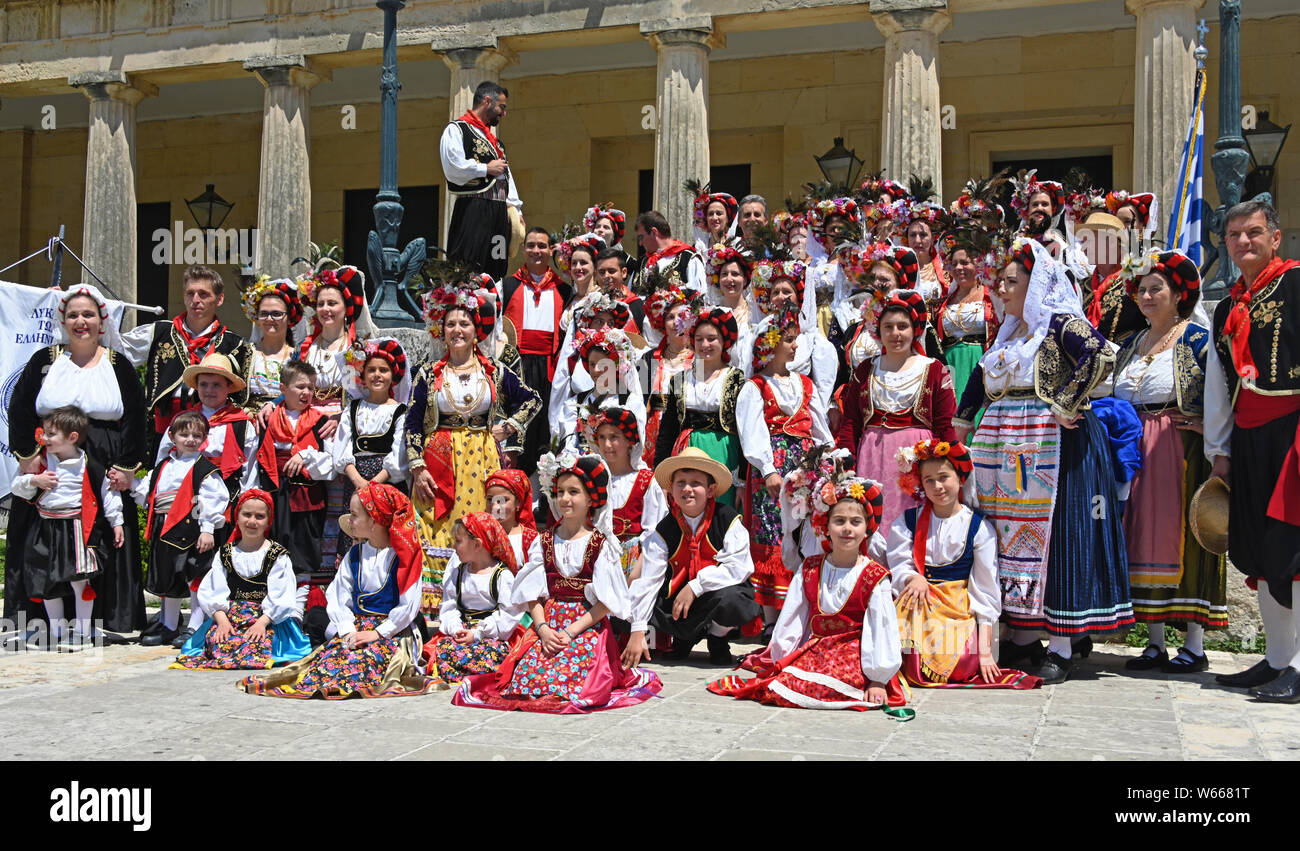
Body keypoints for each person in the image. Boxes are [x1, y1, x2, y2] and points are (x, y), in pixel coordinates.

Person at [955, 238, 1132, 684]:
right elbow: (980, 376)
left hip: (1057, 446)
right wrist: (961, 421)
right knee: (1010, 537)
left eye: (1010, 281)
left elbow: (1100, 353)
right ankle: (1024, 634)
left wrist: (1067, 402)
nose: (1001, 289)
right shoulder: (1009, 333)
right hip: (1006, 450)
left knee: (1057, 536)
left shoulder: (1058, 323)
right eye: (1000, 281)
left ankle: (1062, 644)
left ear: (1035, 285)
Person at [453, 453, 663, 712]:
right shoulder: (543, 541)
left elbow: (605, 603)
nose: (565, 498)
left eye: (574, 492)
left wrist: (571, 632)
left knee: (571, 681)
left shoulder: (600, 544)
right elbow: (533, 595)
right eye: (561, 491)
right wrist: (542, 629)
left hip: (586, 626)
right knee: (526, 679)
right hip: (549, 623)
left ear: (590, 499)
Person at [6, 284, 147, 638]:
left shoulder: (118, 364)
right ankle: (41, 622)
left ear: (102, 321)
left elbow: (136, 416)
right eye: (73, 315)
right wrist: (28, 456)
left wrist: (126, 467)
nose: (80, 321)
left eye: (88, 314)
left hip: (103, 463)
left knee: (101, 536)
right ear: (63, 320)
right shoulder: (45, 360)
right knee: (43, 536)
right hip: (50, 460)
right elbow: (20, 408)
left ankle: (102, 621)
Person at [707, 468, 910, 713]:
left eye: (855, 522)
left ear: (867, 528)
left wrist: (878, 679)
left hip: (855, 656)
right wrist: (781, 658)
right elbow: (793, 617)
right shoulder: (811, 568)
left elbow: (881, 629)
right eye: (839, 521)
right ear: (825, 526)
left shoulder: (875, 576)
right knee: (782, 686)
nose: (847, 529)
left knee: (825, 686)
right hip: (817, 650)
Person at [1203, 200, 1300, 701]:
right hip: (1249, 438)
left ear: (1275, 238)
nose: (1243, 241)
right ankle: (1278, 659)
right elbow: (1219, 386)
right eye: (1234, 234)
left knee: (1293, 547)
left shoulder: (1297, 283)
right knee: (1261, 550)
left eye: (1254, 232)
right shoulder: (1226, 307)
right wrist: (1220, 450)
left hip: (1293, 431)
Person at [1112, 251, 1227, 673]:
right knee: (1140, 535)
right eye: (1141, 289)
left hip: (1180, 450)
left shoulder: (1198, 340)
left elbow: (1224, 390)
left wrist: (1208, 425)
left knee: (1184, 537)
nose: (1146, 296)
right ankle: (1155, 642)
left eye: (1155, 288)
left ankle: (1194, 644)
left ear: (1179, 295)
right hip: (1134, 449)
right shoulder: (1129, 344)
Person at [406, 283, 541, 616]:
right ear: (441, 329)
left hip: (482, 460)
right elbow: (412, 422)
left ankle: (481, 600)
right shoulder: (428, 374)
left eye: (464, 323)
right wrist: (417, 468)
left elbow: (532, 400)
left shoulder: (494, 371)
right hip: (439, 461)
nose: (457, 330)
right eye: (450, 324)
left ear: (476, 330)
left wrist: (509, 427)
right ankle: (436, 606)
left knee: (480, 524)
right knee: (437, 527)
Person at [239, 483, 440, 698]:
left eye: (354, 515)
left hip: (392, 632)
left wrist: (377, 633)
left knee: (367, 660)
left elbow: (408, 606)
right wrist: (347, 630)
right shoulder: (354, 555)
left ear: (374, 521)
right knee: (331, 658)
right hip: (357, 627)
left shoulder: (404, 559)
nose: (349, 520)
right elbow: (338, 597)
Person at [888, 439, 1041, 689]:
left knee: (962, 663)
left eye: (943, 477)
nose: (937, 486)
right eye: (929, 480)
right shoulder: (907, 522)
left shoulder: (978, 527)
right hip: (920, 603)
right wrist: (911, 576)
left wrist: (986, 651)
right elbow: (898, 562)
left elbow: (986, 590)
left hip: (957, 610)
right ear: (920, 484)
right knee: (900, 650)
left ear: (960, 479)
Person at [738, 302, 833, 624]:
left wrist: (828, 458)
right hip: (775, 467)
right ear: (772, 344)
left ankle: (802, 608)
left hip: (805, 466)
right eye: (789, 340)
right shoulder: (756, 387)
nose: (795, 346)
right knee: (772, 530)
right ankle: (771, 618)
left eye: (795, 339)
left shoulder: (804, 384)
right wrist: (767, 469)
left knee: (803, 528)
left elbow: (819, 428)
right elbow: (752, 431)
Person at [836, 291, 957, 534]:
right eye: (888, 327)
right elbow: (851, 422)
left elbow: (945, 424)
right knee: (874, 522)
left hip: (916, 462)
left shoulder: (934, 369)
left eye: (903, 326)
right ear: (877, 330)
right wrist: (847, 465)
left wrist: (950, 467)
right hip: (872, 458)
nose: (895, 333)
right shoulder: (865, 369)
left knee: (913, 525)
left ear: (915, 329)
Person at [633, 447, 763, 665]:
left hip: (713, 597)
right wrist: (637, 629)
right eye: (681, 483)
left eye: (695, 483)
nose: (687, 489)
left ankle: (717, 636)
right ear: (671, 489)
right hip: (676, 603)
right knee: (628, 606)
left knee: (735, 600)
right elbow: (650, 579)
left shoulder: (728, 520)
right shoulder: (664, 529)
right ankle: (683, 637)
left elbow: (739, 567)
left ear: (710, 490)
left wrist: (695, 586)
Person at [9, 406, 125, 650]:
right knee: (46, 583)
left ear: (72, 437)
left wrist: (117, 523)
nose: (45, 438)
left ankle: (82, 633)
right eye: (45, 433)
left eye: (51, 434)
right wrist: (34, 480)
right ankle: (57, 632)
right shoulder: (42, 462)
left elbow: (108, 495)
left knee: (80, 582)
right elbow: (16, 487)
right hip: (45, 529)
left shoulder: (89, 465)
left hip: (76, 530)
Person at [166, 352, 259, 648]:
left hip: (224, 501)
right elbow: (165, 458)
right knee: (177, 558)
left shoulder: (242, 423)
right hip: (184, 499)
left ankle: (198, 622)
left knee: (206, 562)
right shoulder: (184, 421)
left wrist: (247, 501)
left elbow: (251, 466)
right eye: (204, 384)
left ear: (228, 388)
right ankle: (169, 622)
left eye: (216, 384)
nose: (209, 390)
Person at [120, 264, 252, 465]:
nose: (195, 300)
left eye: (203, 294)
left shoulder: (234, 343)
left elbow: (241, 396)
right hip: (166, 427)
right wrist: (103, 314)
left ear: (219, 299)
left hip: (212, 430)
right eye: (190, 293)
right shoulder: (160, 332)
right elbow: (118, 350)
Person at [173, 489, 311, 670]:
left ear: (268, 520)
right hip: (229, 618)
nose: (252, 521)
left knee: (257, 644)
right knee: (220, 643)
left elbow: (282, 596)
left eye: (259, 516)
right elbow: (212, 592)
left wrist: (261, 623)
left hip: (267, 619)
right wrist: (222, 622)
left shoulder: (276, 555)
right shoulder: (225, 554)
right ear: (237, 517)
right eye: (247, 514)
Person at [292, 265, 371, 575]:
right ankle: (309, 569)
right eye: (321, 303)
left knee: (339, 498)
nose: (326, 309)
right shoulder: (305, 348)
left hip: (341, 428)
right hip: (308, 425)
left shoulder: (354, 349)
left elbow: (360, 393)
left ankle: (336, 569)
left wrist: (340, 417)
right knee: (310, 497)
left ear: (345, 308)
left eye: (332, 303)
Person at [131, 410, 230, 647]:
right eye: (184, 434)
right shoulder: (162, 466)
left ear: (204, 438)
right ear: (172, 436)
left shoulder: (204, 468)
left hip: (191, 527)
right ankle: (168, 625)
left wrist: (207, 529)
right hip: (164, 526)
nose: (191, 440)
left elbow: (212, 500)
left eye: (197, 435)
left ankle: (195, 626)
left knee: (194, 575)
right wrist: (128, 482)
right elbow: (146, 493)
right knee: (169, 576)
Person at [254, 359, 334, 610]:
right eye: (300, 387)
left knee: (303, 550)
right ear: (283, 389)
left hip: (307, 495)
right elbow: (256, 457)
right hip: (275, 492)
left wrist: (306, 456)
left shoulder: (320, 421)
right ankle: (275, 607)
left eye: (310, 388)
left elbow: (331, 464)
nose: (306, 393)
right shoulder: (268, 419)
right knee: (274, 547)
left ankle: (298, 610)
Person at [653, 307, 746, 507]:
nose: (705, 345)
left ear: (724, 341)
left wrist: (743, 480)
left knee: (721, 512)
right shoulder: (680, 380)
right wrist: (661, 475)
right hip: (687, 455)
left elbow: (745, 431)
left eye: (712, 339)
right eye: (699, 339)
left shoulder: (736, 379)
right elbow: (668, 430)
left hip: (724, 455)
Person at [500, 226, 572, 475]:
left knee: (544, 424)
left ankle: (543, 481)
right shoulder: (508, 285)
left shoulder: (564, 290)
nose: (536, 250)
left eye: (542, 245)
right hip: (517, 365)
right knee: (518, 420)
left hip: (550, 367)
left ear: (551, 250)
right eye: (531, 245)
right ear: (523, 249)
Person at [422, 512, 524, 684]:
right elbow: (449, 606)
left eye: (458, 541)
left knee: (489, 653)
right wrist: (456, 629)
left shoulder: (501, 575)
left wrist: (478, 633)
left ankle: (474, 676)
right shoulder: (458, 573)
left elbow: (508, 614)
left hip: (490, 635)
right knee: (445, 649)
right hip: (463, 630)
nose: (454, 546)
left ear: (476, 544)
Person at [332, 339, 411, 563]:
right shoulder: (353, 409)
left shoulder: (400, 411)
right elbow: (342, 448)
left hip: (387, 484)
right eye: (371, 370)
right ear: (362, 376)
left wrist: (374, 484)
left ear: (393, 376)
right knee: (356, 530)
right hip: (356, 481)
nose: (377, 375)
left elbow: (398, 454)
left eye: (383, 370)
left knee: (385, 532)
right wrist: (359, 482)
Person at [441, 80, 522, 279]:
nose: (504, 113)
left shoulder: (496, 143)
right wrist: (485, 168)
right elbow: (453, 167)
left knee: (497, 264)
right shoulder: (458, 129)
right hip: (474, 208)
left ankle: (494, 298)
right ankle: (463, 298)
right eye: (502, 107)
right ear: (487, 101)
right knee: (467, 265)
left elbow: (506, 177)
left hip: (499, 213)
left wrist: (515, 208)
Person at [640, 283, 698, 466]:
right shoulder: (648, 359)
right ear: (662, 323)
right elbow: (639, 399)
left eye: (681, 316)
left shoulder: (700, 359)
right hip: (652, 433)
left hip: (684, 429)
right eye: (670, 317)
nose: (676, 322)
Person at [242, 276, 304, 412]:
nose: (269, 319)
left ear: (289, 318)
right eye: (264, 314)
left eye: (276, 314)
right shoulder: (245, 354)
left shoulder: (299, 357)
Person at [629, 210, 706, 294]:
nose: (640, 243)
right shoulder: (641, 263)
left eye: (641, 237)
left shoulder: (688, 258)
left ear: (654, 232)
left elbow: (700, 293)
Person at [484, 468, 539, 568]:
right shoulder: (480, 536)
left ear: (518, 502)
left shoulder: (530, 539)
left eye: (503, 500)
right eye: (490, 499)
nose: (495, 507)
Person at [687, 182, 739, 255]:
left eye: (719, 213)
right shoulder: (697, 249)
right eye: (710, 214)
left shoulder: (737, 246)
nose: (714, 218)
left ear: (728, 219)